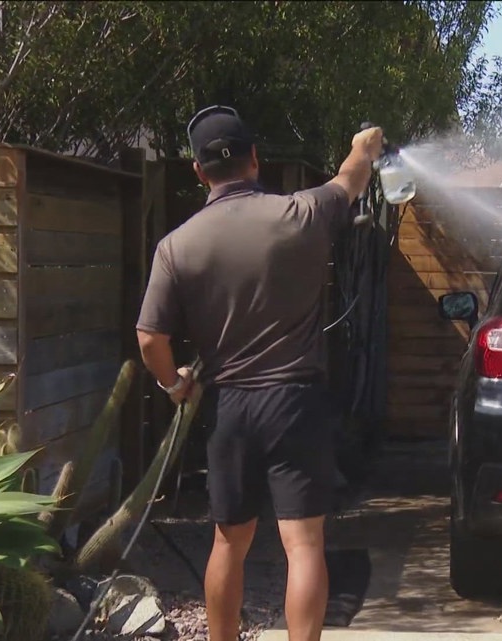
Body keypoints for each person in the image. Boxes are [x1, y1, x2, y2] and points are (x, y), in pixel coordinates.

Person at [136, 105, 383, 641]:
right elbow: (350, 178)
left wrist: (174, 384)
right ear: (254, 158)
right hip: (296, 402)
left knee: (229, 542)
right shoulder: (301, 213)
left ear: (198, 171)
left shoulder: (176, 246)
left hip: (230, 408)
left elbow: (150, 339)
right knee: (304, 544)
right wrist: (363, 146)